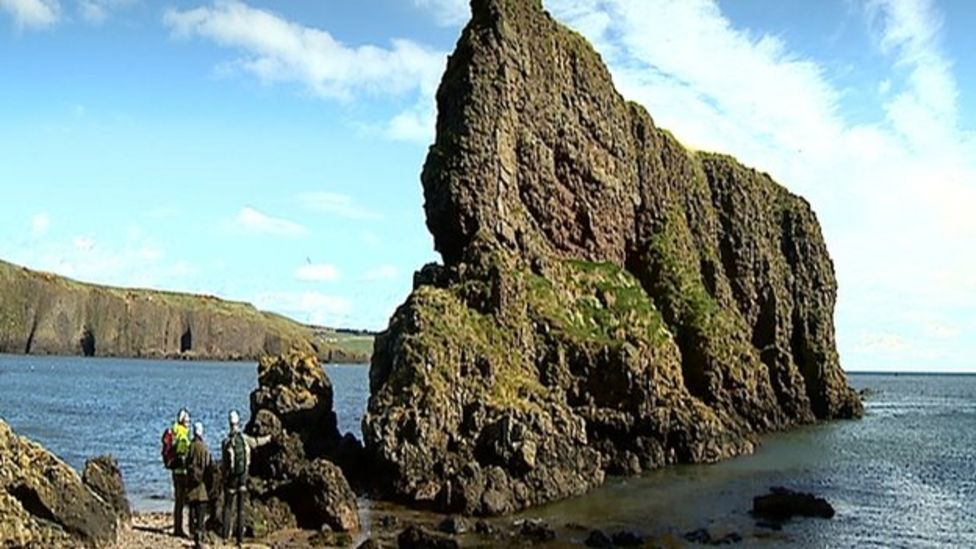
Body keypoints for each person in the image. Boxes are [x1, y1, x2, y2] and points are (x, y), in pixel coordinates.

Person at [221, 410, 272, 545]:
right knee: (241, 508)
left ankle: (225, 537)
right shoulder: (244, 439)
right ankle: (240, 540)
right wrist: (268, 438)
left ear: (229, 423)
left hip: (231, 478)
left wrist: (223, 478)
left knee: (228, 507)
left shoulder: (226, 442)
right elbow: (256, 442)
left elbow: (224, 464)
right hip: (243, 477)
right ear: (239, 423)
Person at [187, 421, 213, 549]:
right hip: (201, 486)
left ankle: (193, 534)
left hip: (191, 485)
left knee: (192, 511)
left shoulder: (191, 446)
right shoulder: (204, 447)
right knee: (201, 514)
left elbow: (187, 462)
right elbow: (209, 467)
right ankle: (200, 537)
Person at [168, 408, 192, 538]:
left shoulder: (174, 431)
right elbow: (184, 454)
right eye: (187, 421)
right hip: (182, 472)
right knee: (182, 501)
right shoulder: (182, 435)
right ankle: (179, 529)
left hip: (175, 471)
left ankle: (178, 527)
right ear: (183, 422)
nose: (189, 424)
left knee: (178, 501)